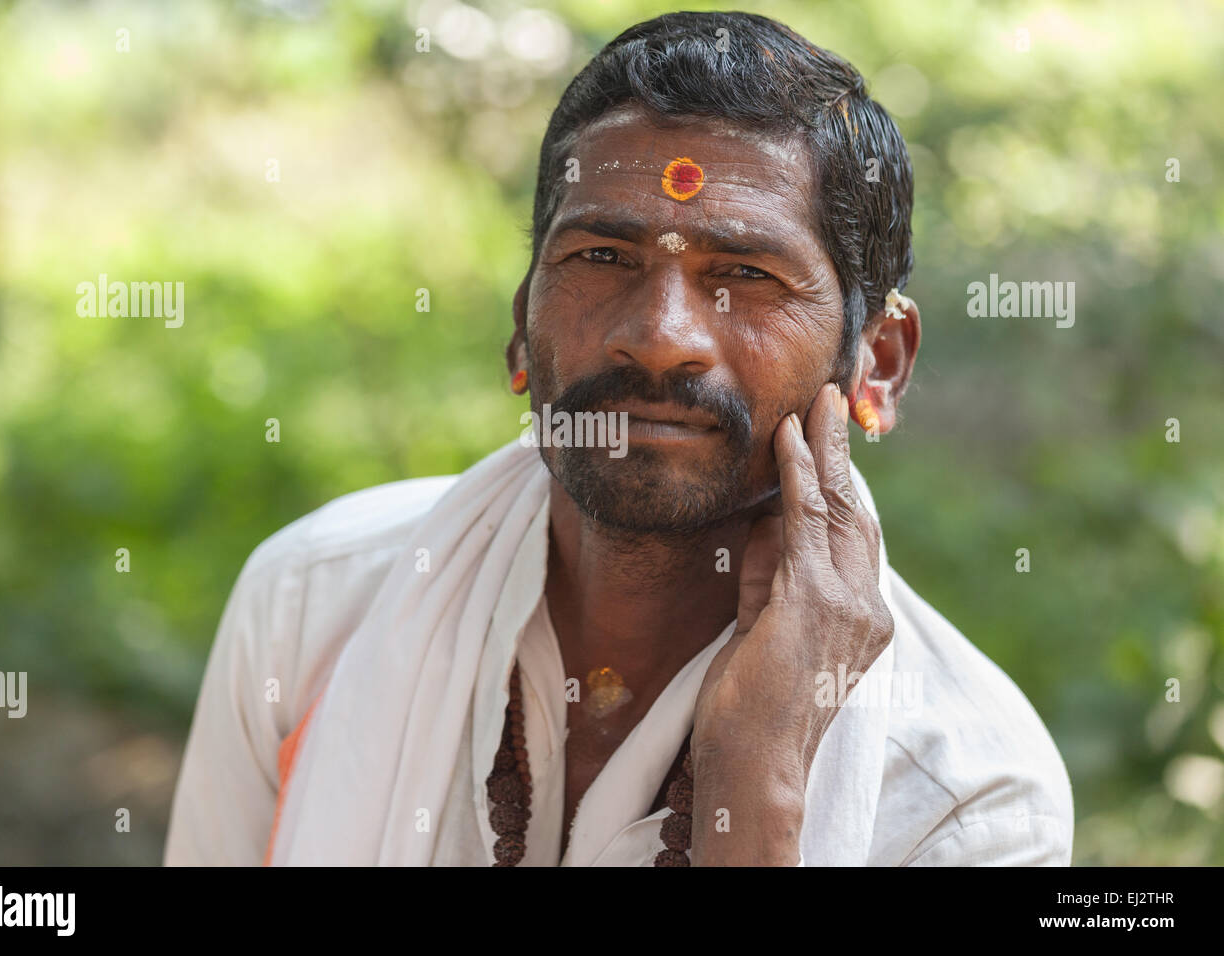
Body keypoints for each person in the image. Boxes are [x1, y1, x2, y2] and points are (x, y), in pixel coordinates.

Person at [164, 11, 1072, 866]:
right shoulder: (313, 608)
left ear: (876, 365)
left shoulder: (965, 800)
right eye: (602, 257)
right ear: (523, 329)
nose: (661, 333)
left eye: (745, 275)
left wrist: (757, 786)